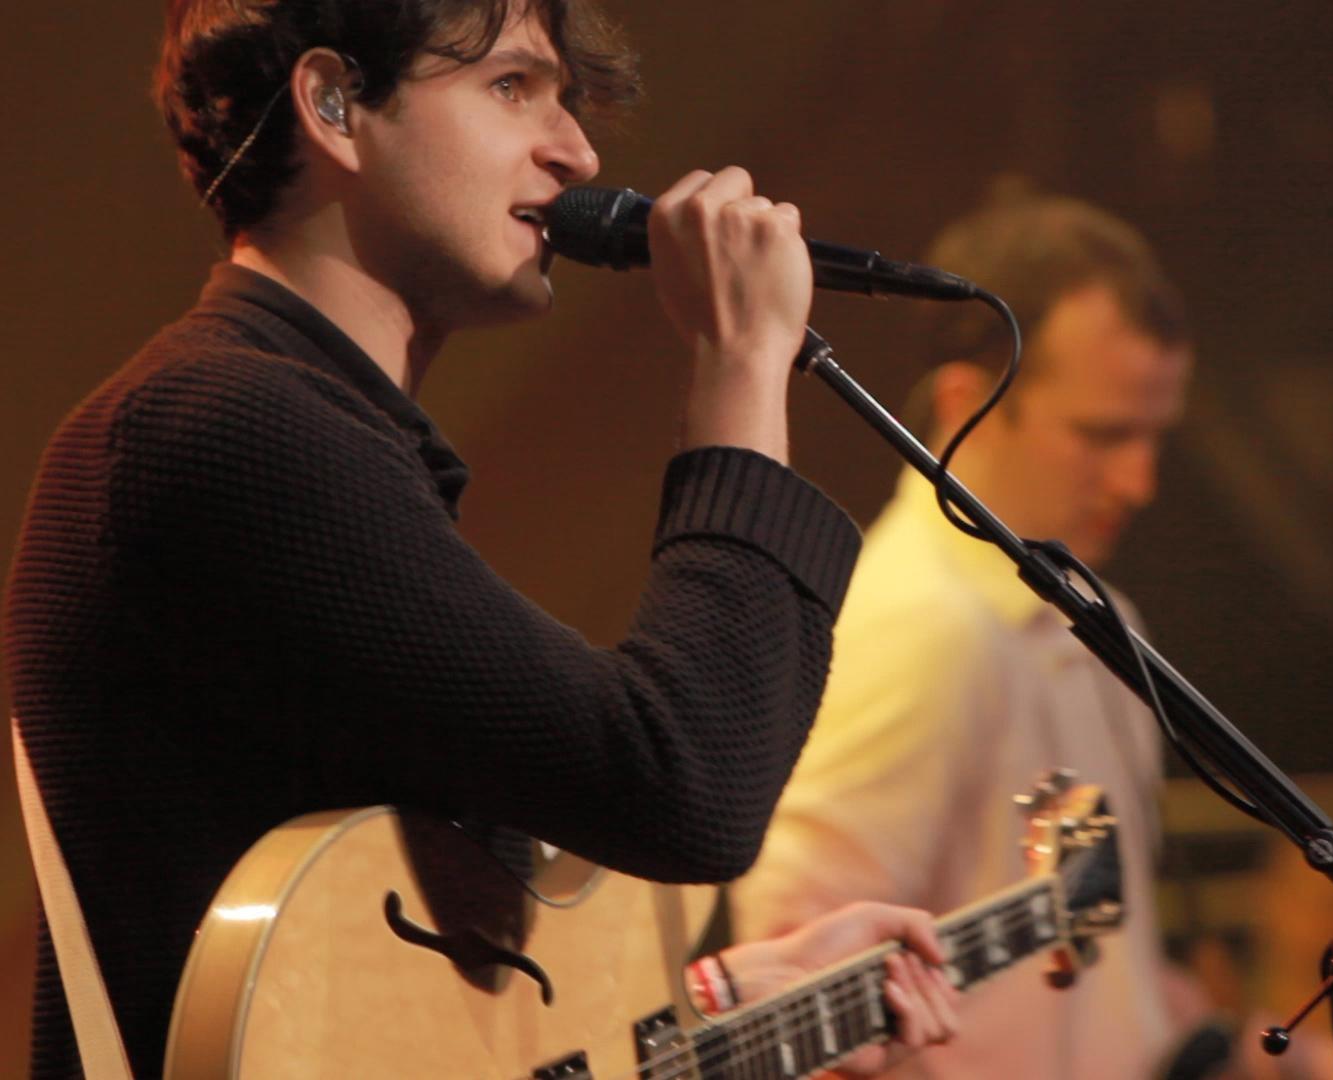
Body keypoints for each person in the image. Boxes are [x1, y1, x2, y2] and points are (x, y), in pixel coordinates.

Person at [0, 1, 960, 1076]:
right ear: (332, 105)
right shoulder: (220, 428)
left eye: (568, 101)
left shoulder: (305, 431)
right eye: (511, 87)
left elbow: (379, 991)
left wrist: (710, 996)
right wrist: (739, 365)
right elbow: (684, 787)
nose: (578, 151)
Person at [730, 190, 1197, 1077]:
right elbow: (795, 965)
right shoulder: (922, 624)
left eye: (1154, 437)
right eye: (1104, 435)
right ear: (965, 403)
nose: (1140, 480)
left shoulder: (1094, 621)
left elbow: (1102, 979)